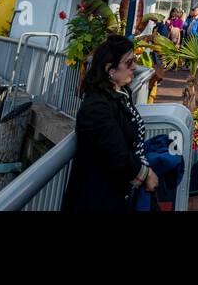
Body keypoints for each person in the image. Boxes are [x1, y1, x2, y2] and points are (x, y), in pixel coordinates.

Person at [62, 35, 157, 211]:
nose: (134, 67)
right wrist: (145, 174)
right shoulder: (96, 107)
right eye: (128, 63)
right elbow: (116, 151)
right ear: (110, 70)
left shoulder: (120, 93)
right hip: (100, 199)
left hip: (117, 194)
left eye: (133, 61)